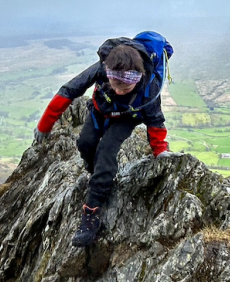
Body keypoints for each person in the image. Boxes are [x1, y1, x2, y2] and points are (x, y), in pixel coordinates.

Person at [33, 36, 171, 246]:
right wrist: (45, 125)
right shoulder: (102, 68)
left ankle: (91, 213)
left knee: (106, 152)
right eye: (115, 86)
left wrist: (160, 151)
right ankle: (97, 175)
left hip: (125, 119)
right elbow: (69, 91)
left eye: (125, 89)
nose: (118, 91)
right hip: (100, 112)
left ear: (138, 78)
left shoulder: (149, 88)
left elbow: (155, 121)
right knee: (85, 144)